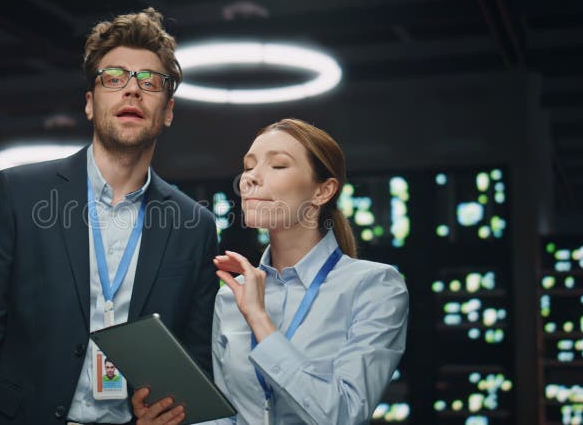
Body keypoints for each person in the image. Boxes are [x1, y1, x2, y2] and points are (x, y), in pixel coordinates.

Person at [0, 8, 219, 425]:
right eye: (114, 78)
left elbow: (194, 358)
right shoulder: (18, 194)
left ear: (168, 111)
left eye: (150, 81)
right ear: (90, 103)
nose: (132, 90)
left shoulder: (194, 225)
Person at [132, 118, 408, 425]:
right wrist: (176, 418)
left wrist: (258, 318)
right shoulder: (231, 296)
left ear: (323, 191)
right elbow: (230, 417)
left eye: (277, 166)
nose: (249, 179)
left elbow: (344, 414)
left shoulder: (375, 285)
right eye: (249, 166)